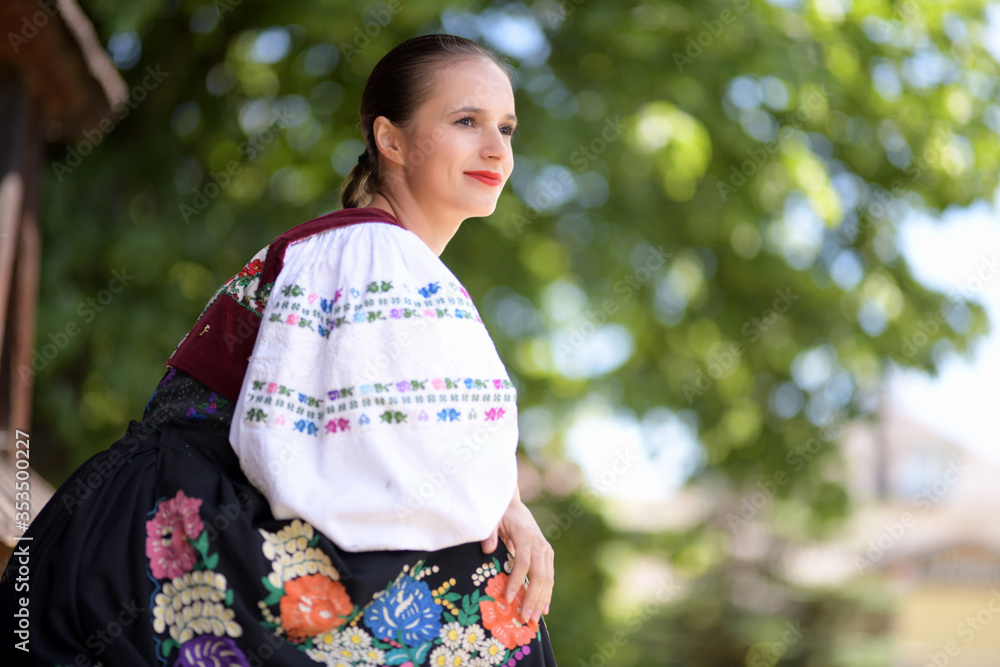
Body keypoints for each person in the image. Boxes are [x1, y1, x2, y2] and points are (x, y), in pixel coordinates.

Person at [1, 33, 557, 666]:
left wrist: (506, 503)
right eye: (466, 121)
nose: (496, 149)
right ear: (391, 139)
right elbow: (378, 462)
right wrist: (505, 513)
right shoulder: (373, 253)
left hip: (115, 524)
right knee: (498, 607)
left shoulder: (361, 250)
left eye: (507, 129)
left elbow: (403, 442)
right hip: (165, 533)